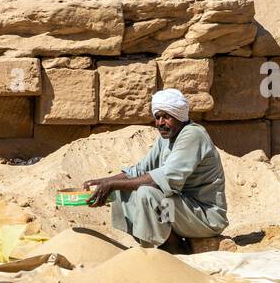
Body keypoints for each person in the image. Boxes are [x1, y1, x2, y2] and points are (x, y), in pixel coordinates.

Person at [84, 89, 228, 251]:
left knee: (148, 194)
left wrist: (113, 184)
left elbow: (163, 178)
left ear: (179, 115)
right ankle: (161, 241)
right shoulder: (166, 137)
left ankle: (173, 247)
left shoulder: (192, 136)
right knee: (123, 189)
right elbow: (139, 170)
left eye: (166, 117)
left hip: (205, 217)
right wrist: (105, 182)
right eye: (157, 117)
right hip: (180, 211)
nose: (160, 123)